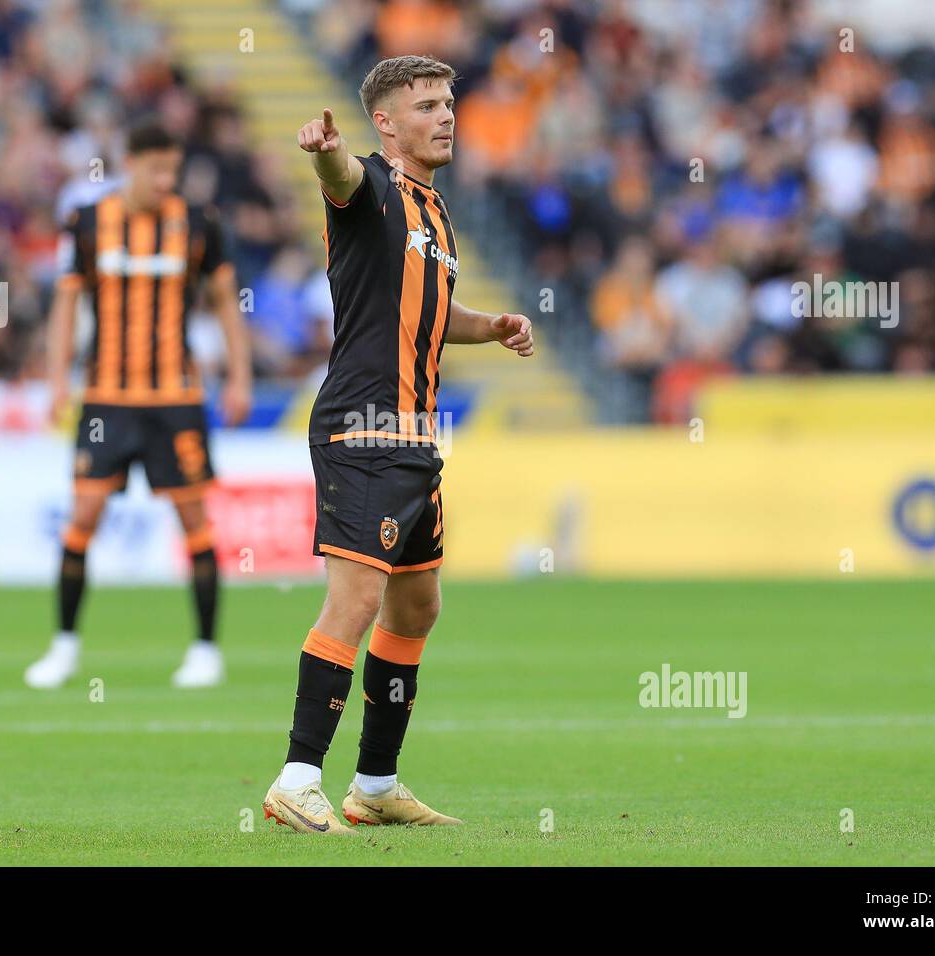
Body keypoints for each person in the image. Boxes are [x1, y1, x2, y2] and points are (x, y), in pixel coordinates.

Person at [261, 55, 535, 835]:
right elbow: (340, 176)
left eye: (448, 103)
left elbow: (434, 314)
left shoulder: (436, 214)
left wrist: (494, 326)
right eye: (426, 106)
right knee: (355, 598)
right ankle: (296, 777)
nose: (445, 116)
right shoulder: (373, 189)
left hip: (417, 435)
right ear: (386, 123)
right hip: (364, 427)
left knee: (416, 605)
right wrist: (321, 150)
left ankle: (375, 784)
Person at [25, 120, 252, 690]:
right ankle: (65, 647)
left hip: (176, 398)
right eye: (156, 169)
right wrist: (56, 379)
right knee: (82, 519)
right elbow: (64, 306)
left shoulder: (198, 223)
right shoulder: (86, 223)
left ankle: (205, 651)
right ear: (129, 162)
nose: (165, 181)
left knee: (195, 522)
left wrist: (240, 377)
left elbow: (226, 303)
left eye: (172, 170)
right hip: (105, 399)